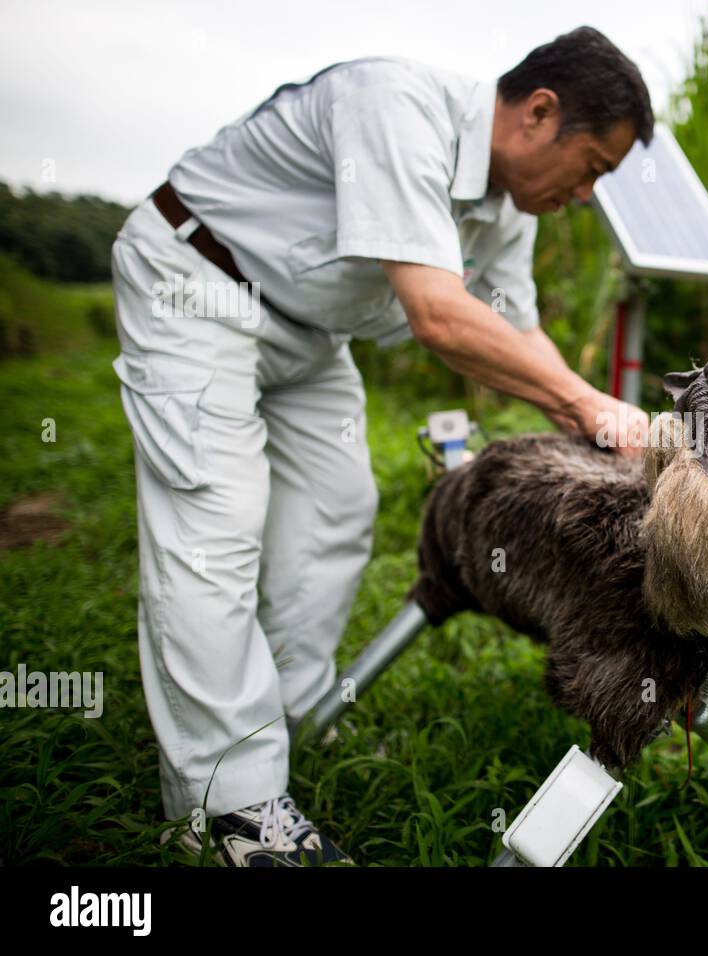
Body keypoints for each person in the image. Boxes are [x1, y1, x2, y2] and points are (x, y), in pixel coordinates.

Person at [109, 26, 653, 866]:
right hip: (197, 283)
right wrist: (586, 402)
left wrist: (601, 427)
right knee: (213, 527)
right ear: (540, 113)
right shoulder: (396, 105)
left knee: (338, 507)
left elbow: (518, 333)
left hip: (309, 330)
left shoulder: (510, 209)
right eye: (592, 168)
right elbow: (439, 316)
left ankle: (292, 721)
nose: (585, 195)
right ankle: (228, 806)